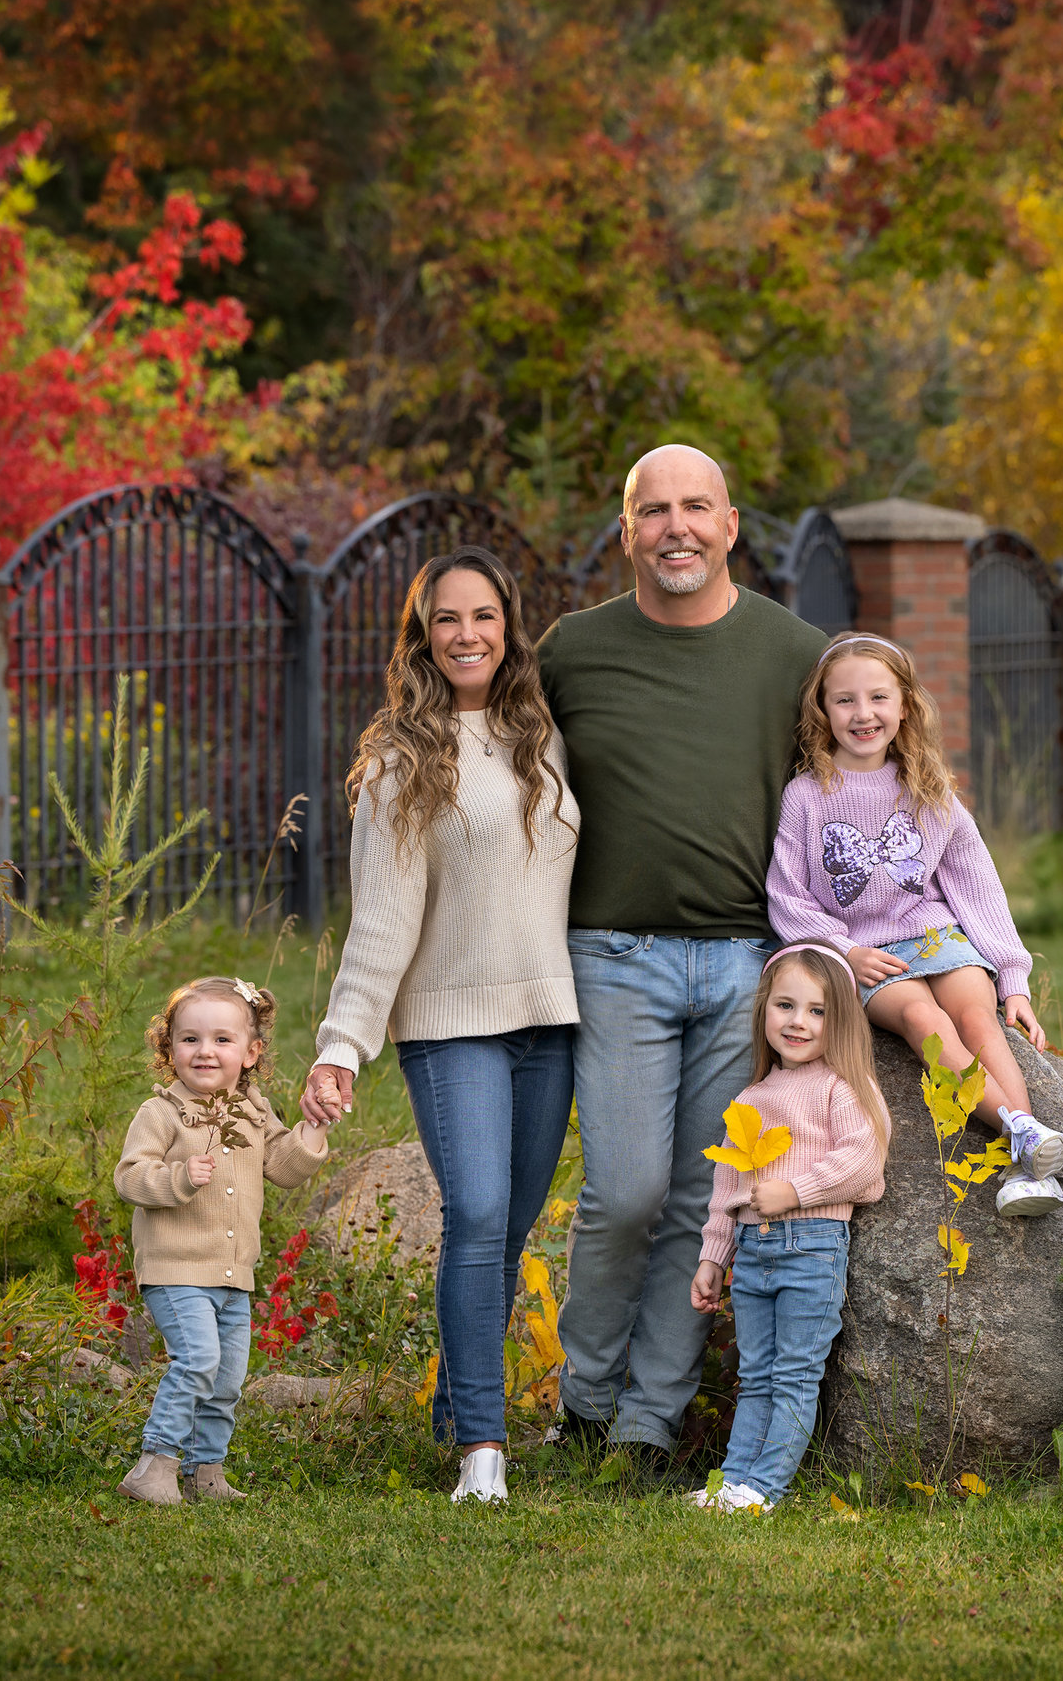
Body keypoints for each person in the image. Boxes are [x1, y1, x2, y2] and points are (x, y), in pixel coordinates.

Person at [537, 444, 830, 1462]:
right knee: (624, 1192)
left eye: (694, 506)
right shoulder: (571, 651)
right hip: (612, 955)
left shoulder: (795, 653)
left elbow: (848, 801)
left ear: (730, 522)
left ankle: (648, 1424)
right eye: (652, 510)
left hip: (746, 963)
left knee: (702, 1201)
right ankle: (582, 1397)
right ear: (625, 531)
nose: (675, 527)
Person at [298, 546, 580, 1506]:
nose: (466, 635)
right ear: (422, 635)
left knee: (510, 1235)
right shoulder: (398, 759)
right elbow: (380, 920)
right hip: (452, 1025)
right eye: (446, 619)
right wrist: (343, 1044)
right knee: (476, 1220)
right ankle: (482, 1457)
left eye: (483, 617)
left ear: (510, 627)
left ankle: (457, 1416)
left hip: (551, 1021)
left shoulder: (542, 736)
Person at [767, 631, 1063, 1216]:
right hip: (868, 951)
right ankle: (1021, 1133)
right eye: (846, 701)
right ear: (821, 710)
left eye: (879, 698)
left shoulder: (929, 789)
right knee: (922, 1018)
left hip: (936, 935)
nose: (864, 714)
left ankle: (1029, 1153)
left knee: (978, 1016)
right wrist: (842, 951)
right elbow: (786, 894)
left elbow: (978, 886)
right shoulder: (806, 797)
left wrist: (1012, 976)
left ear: (905, 705)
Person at [688, 942, 888, 1512]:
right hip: (752, 1252)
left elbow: (864, 1163)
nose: (799, 1022)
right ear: (764, 1011)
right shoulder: (750, 1097)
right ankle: (731, 1484)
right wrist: (712, 1257)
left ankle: (763, 1488)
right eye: (786, 1006)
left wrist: (795, 1191)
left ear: (840, 1021)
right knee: (755, 1374)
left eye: (818, 1011)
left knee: (795, 1373)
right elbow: (727, 1187)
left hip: (813, 1247)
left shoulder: (841, 1088)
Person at [114, 976, 328, 1505]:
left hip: (234, 1274)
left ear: (251, 1052)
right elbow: (129, 1177)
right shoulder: (161, 1112)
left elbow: (283, 1165)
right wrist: (179, 1176)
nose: (205, 1051)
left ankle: (205, 1472)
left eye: (222, 1040)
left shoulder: (253, 1110)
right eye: (190, 1039)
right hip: (176, 1269)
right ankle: (154, 1465)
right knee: (197, 1362)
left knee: (226, 1380)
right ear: (169, 1048)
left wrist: (314, 1129)